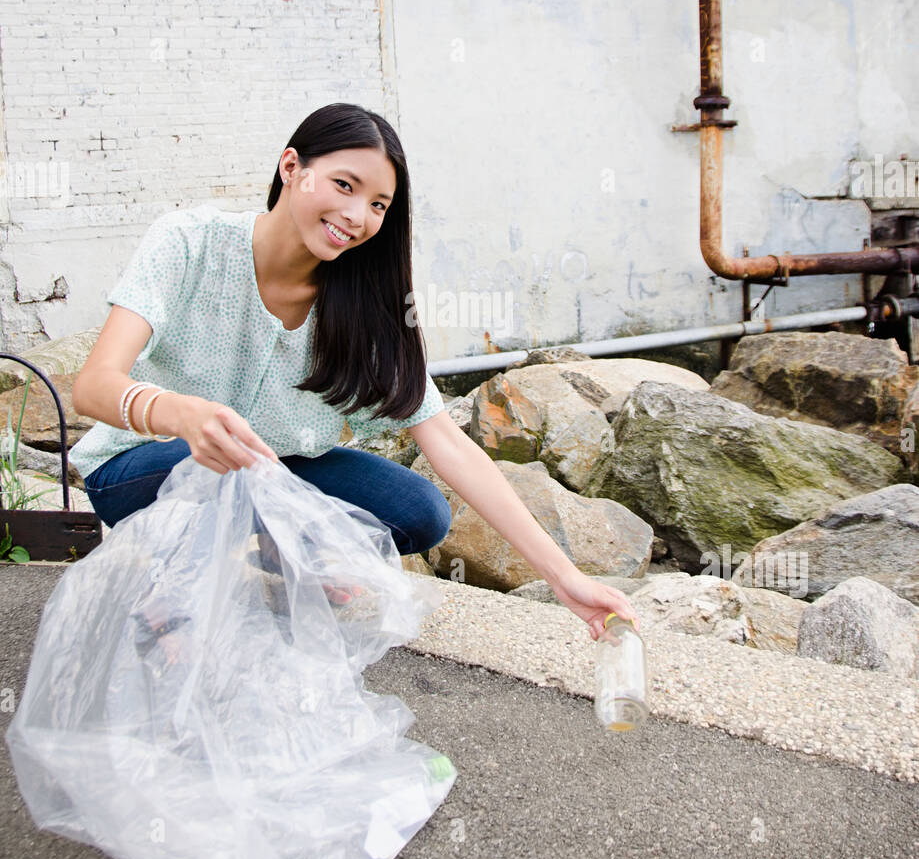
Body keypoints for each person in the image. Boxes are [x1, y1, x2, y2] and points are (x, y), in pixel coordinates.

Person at [70, 102, 638, 642]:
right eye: (345, 185)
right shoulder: (190, 242)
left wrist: (566, 578)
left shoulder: (365, 305)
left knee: (421, 513)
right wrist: (183, 414)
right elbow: (92, 386)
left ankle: (278, 545)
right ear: (292, 167)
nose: (356, 215)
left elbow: (450, 446)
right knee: (227, 467)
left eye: (378, 205)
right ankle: (178, 593)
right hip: (143, 470)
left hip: (270, 472)